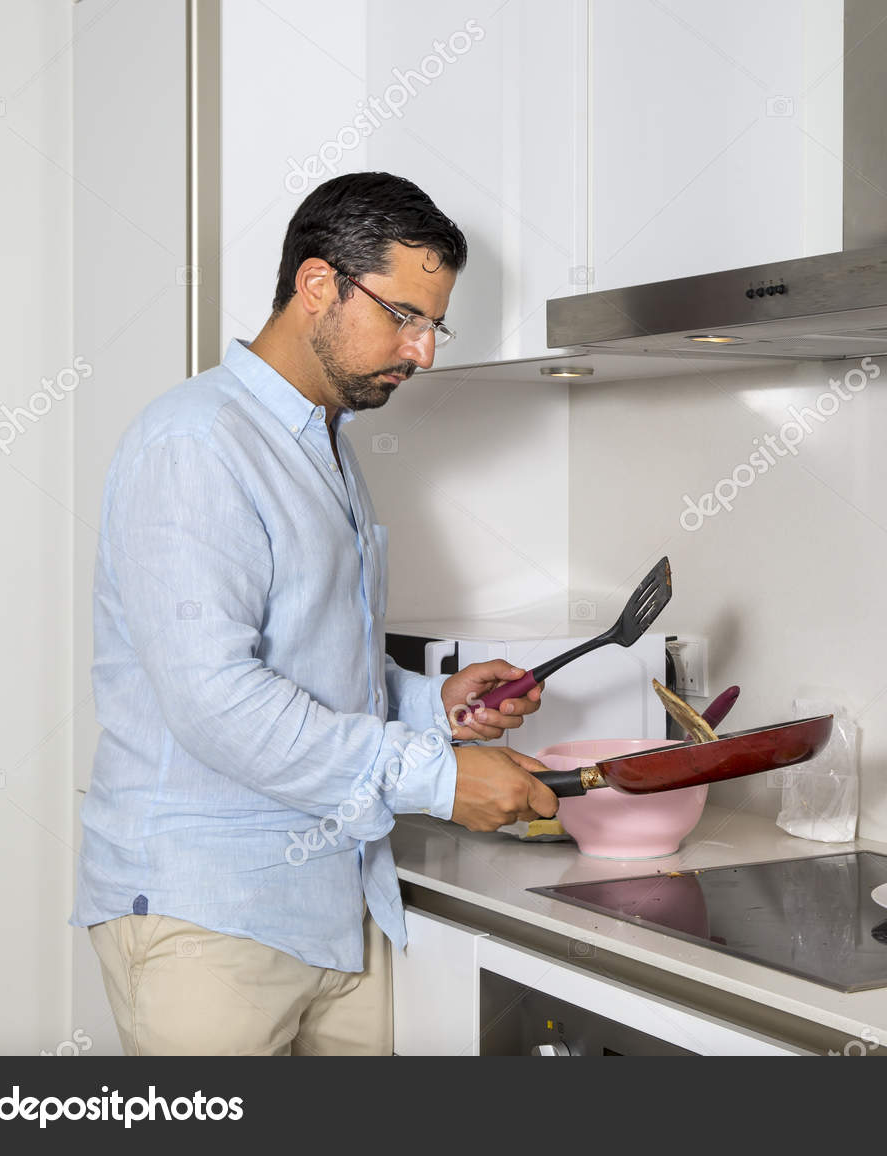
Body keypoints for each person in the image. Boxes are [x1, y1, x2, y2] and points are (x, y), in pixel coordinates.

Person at [72, 172, 557, 1055]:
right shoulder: (196, 442)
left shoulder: (320, 444)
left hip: (338, 900)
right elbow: (217, 701)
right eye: (405, 316)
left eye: (433, 325)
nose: (424, 354)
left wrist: (436, 710)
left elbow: (308, 662)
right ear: (318, 285)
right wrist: (438, 780)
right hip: (210, 919)